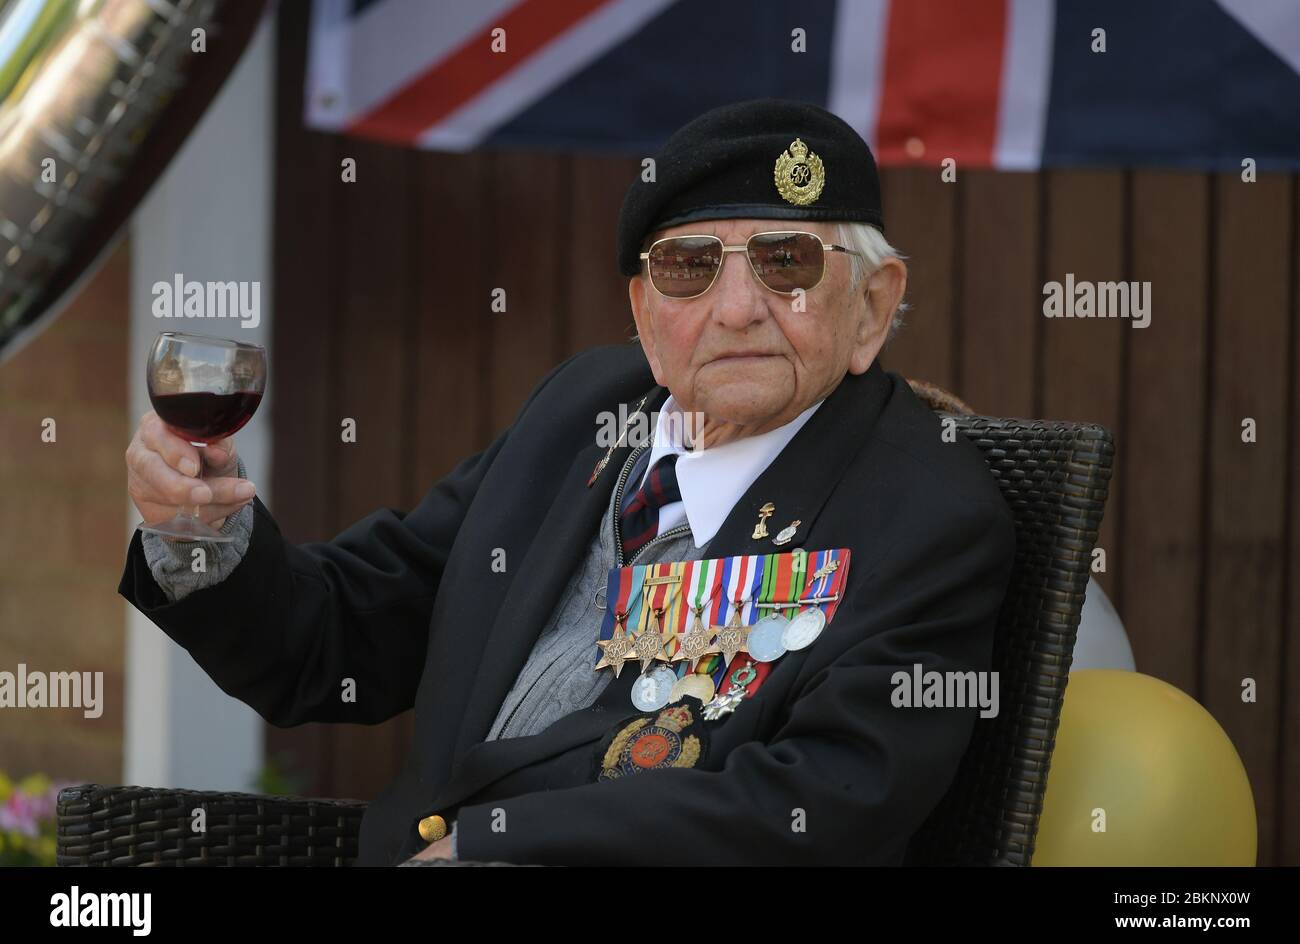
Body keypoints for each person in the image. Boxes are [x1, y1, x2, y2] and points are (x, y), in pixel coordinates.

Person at [119, 98, 1016, 866]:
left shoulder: (927, 511)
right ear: (642, 312)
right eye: (688, 266)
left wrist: (508, 841)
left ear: (872, 306)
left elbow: (828, 803)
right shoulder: (584, 411)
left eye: (786, 263)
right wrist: (198, 531)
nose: (737, 308)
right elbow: (344, 637)